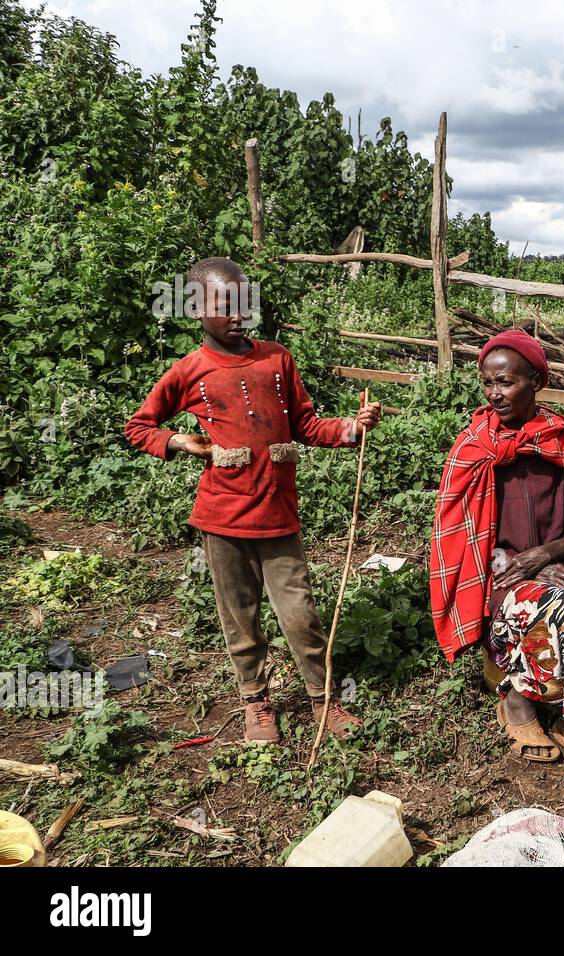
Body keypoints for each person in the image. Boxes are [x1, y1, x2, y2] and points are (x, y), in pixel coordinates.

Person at [125, 257, 381, 745]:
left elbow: (305, 425)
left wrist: (350, 428)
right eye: (226, 306)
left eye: (245, 303)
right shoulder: (190, 371)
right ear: (197, 309)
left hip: (278, 514)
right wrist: (182, 442)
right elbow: (139, 427)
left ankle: (323, 699)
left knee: (300, 612)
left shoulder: (277, 359)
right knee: (239, 615)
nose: (239, 315)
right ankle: (255, 701)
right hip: (222, 518)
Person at [429, 330, 564, 769]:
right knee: (538, 607)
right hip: (494, 573)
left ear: (535, 381)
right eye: (488, 383)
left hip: (554, 565)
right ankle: (516, 699)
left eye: (506, 382)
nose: (495, 393)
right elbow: (465, 544)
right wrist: (521, 568)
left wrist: (545, 556)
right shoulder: (475, 450)